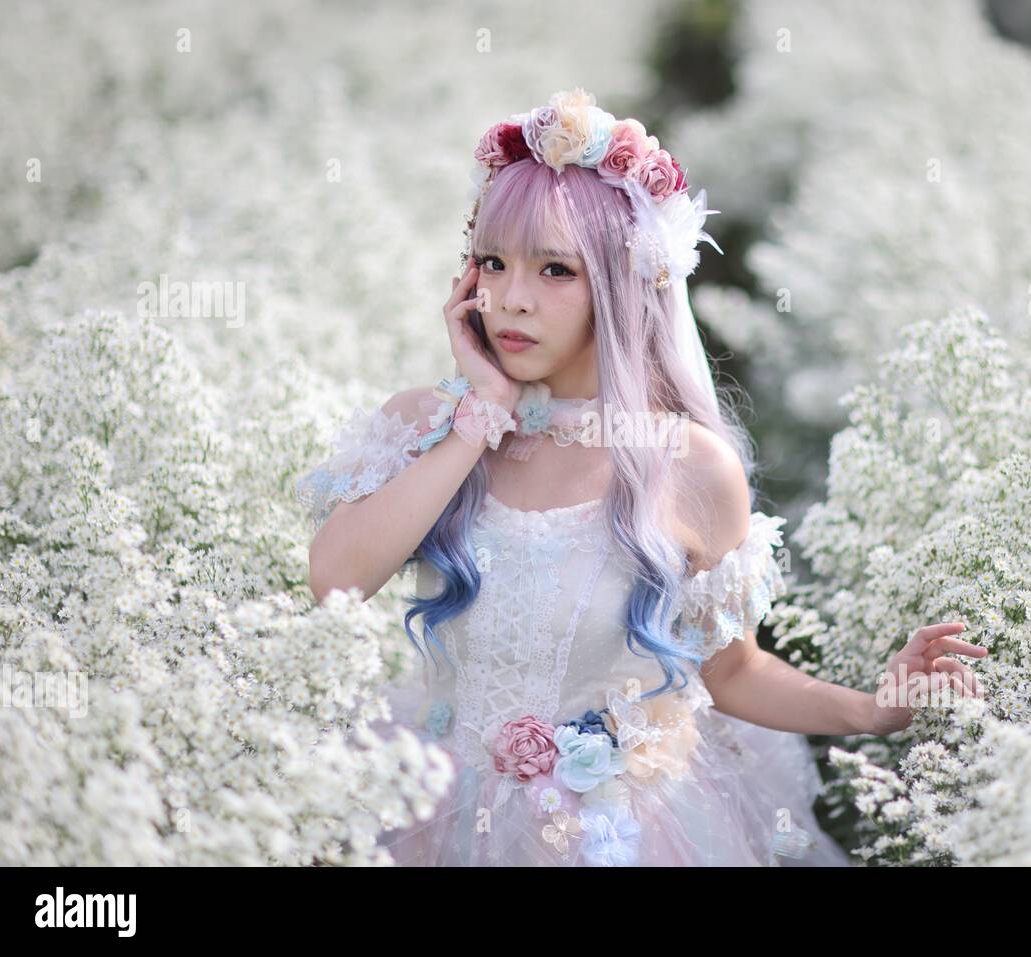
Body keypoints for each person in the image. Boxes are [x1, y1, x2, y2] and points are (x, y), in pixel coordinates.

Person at [295, 88, 985, 866]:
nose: (511, 299)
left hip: (611, 832)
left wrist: (871, 709)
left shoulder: (689, 464)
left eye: (556, 269)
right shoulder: (432, 424)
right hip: (431, 811)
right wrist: (477, 418)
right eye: (493, 262)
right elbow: (335, 578)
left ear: (621, 285)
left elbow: (730, 669)